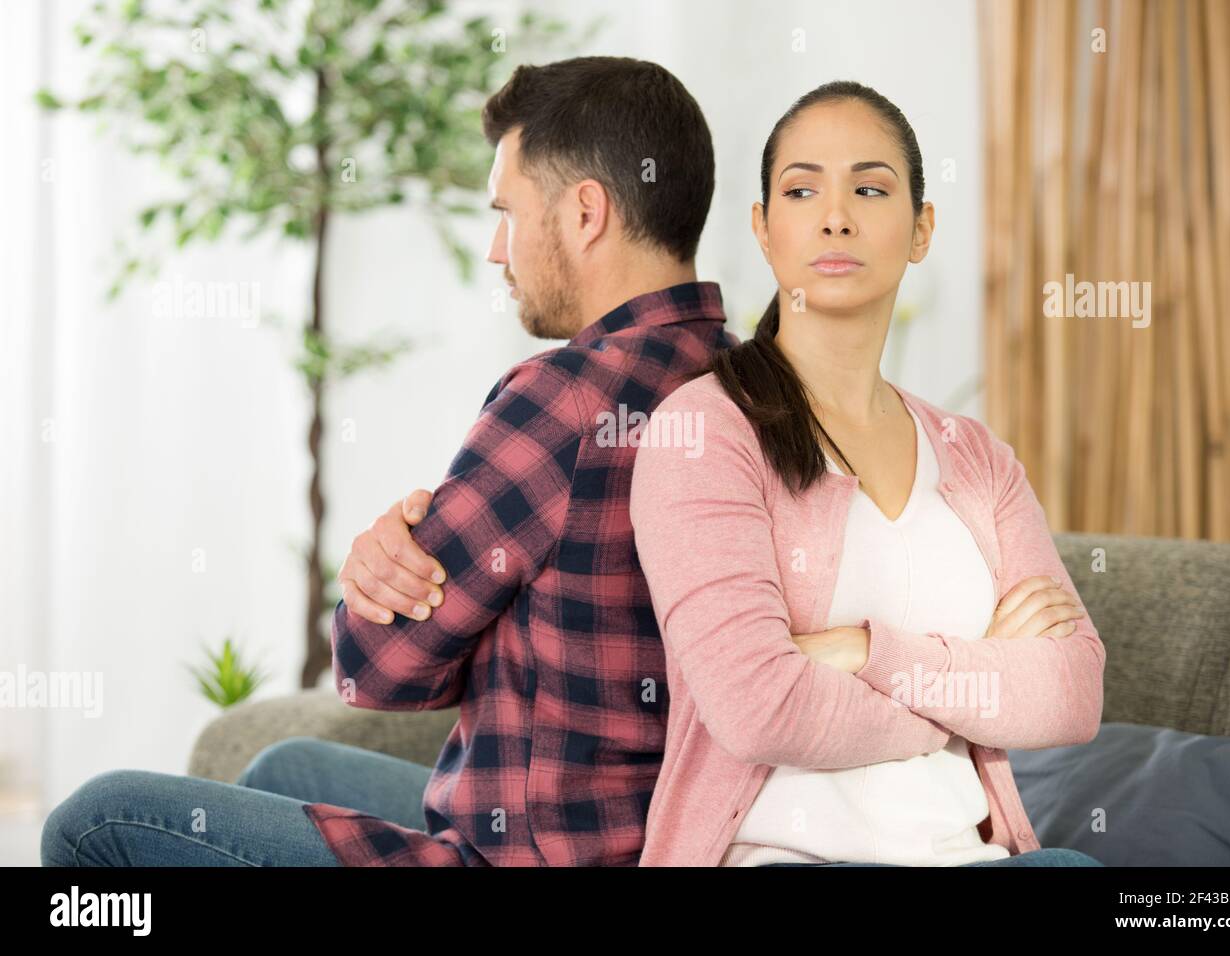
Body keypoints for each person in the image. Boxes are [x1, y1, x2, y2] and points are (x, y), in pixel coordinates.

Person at [41, 55, 735, 867]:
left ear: (586, 213)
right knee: (283, 765)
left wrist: (378, 582)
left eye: (508, 211)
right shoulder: (735, 371)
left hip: (524, 854)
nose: (495, 250)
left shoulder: (567, 401)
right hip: (632, 826)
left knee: (91, 822)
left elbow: (378, 673)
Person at [625, 81, 1107, 867]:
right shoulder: (702, 430)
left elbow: (1074, 691)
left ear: (921, 230)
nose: (836, 215)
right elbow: (759, 709)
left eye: (871, 188)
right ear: (764, 230)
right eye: (802, 188)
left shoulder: (977, 455)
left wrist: (860, 649)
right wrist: (973, 692)